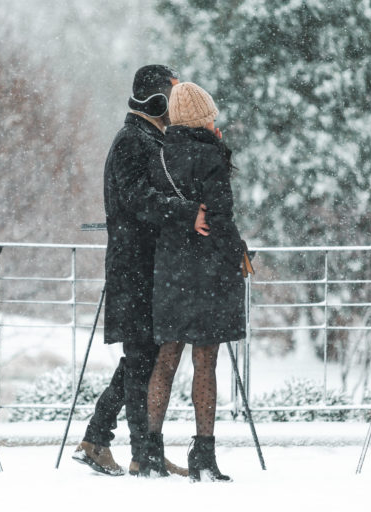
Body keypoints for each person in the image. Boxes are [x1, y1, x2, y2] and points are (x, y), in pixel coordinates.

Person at [72, 65, 209, 477]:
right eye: (173, 94)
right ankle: (142, 454)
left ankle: (98, 439)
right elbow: (138, 199)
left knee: (141, 357)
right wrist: (190, 212)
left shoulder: (145, 137)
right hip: (136, 267)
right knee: (141, 359)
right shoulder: (134, 140)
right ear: (157, 99)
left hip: (145, 266)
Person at [139, 82, 246, 482]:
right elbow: (220, 216)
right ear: (203, 116)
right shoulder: (210, 155)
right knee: (205, 362)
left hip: (170, 269)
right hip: (207, 272)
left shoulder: (159, 154)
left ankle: (150, 450)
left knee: (166, 358)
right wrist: (238, 252)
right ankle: (203, 454)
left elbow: (154, 208)